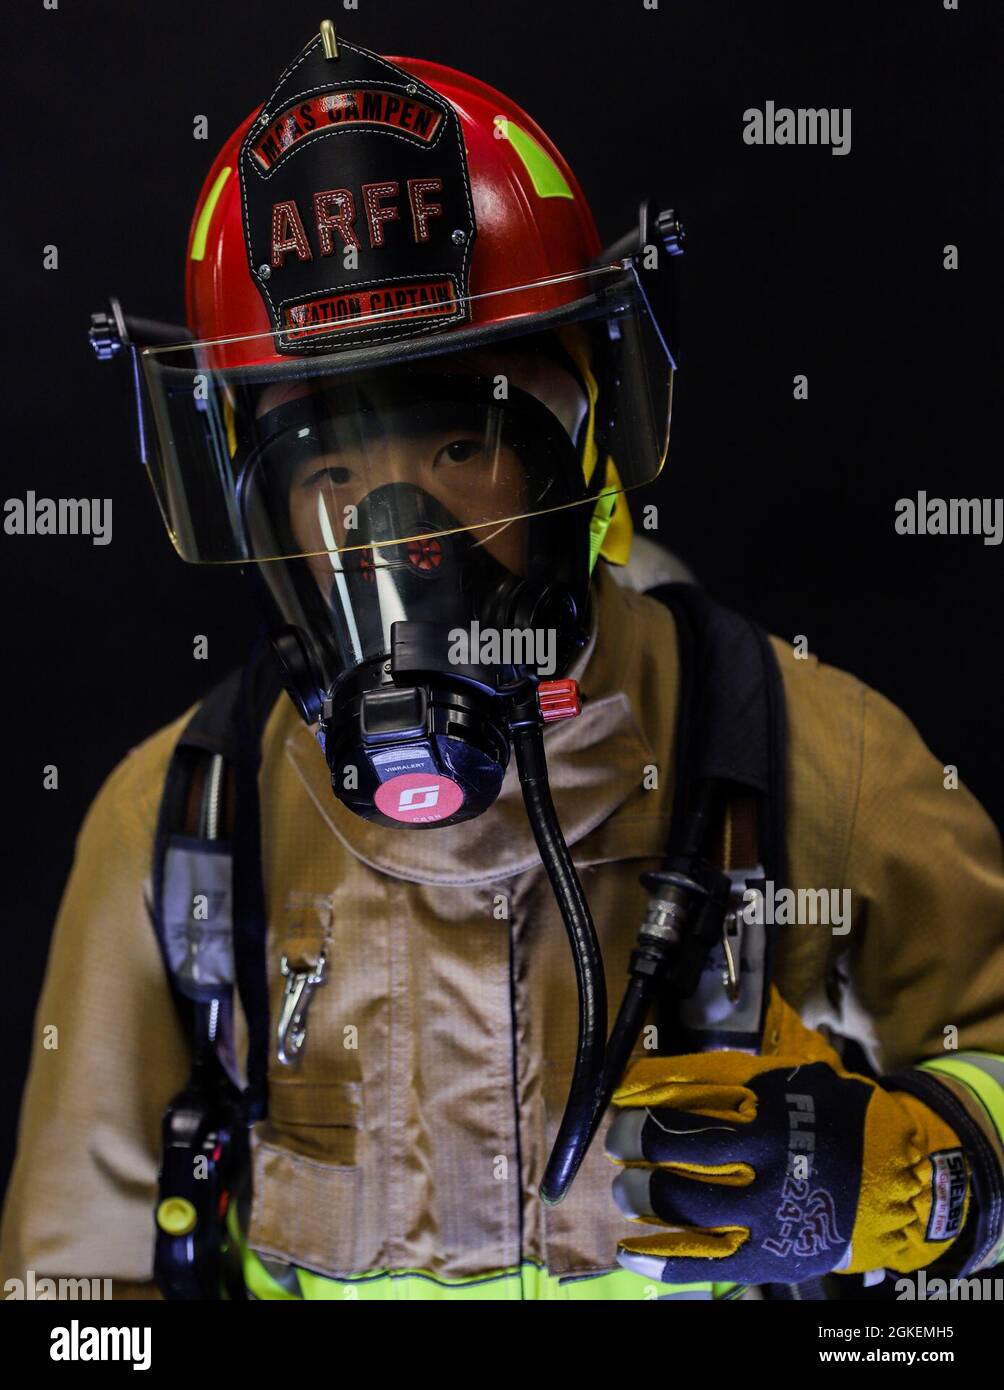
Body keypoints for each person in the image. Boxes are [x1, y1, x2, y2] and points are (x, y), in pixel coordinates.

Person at [2, 26, 1003, 1303]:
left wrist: (938, 1172)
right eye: (330, 472)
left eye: (461, 447)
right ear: (259, 506)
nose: (398, 539)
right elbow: (73, 1301)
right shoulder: (182, 823)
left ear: (580, 445)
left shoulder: (800, 756)